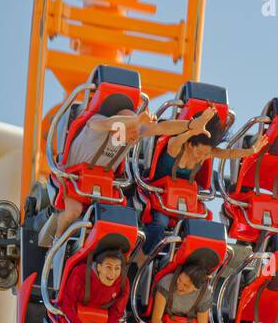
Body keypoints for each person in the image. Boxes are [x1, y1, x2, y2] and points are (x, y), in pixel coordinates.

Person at [40, 97, 217, 246]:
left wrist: (192, 125)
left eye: (135, 132)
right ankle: (56, 242)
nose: (135, 137)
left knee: (121, 221)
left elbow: (162, 128)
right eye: (131, 130)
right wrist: (136, 121)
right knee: (73, 211)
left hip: (102, 186)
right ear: (121, 125)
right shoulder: (96, 123)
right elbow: (108, 123)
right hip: (73, 180)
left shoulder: (127, 134)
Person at [139, 111, 269, 257]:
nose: (202, 156)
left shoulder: (205, 153)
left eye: (205, 153)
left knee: (199, 229)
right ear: (189, 144)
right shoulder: (175, 146)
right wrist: (193, 129)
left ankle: (179, 259)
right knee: (160, 223)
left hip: (184, 202)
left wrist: (252, 150)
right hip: (159, 197)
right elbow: (178, 139)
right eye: (199, 151)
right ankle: (144, 257)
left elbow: (229, 154)